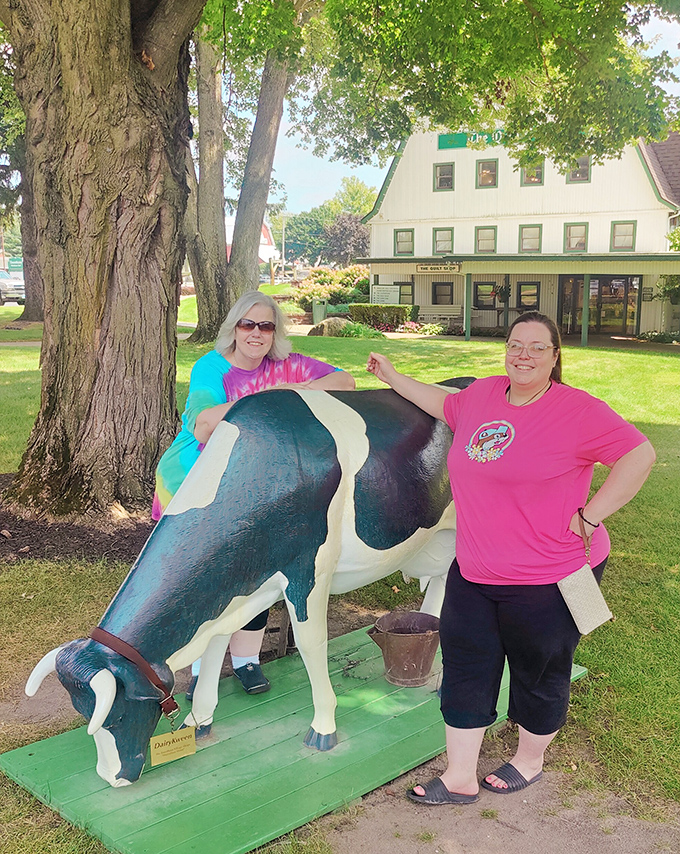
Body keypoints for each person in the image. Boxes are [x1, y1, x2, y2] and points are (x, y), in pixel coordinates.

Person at [366, 312, 655, 804]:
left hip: (549, 574)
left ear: (554, 355)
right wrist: (393, 376)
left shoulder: (577, 410)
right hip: (475, 569)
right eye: (515, 344)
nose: (523, 355)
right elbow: (443, 403)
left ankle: (529, 760)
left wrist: (591, 514)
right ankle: (460, 775)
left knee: (538, 670)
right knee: (465, 667)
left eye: (537, 347)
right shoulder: (482, 395)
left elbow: (639, 453)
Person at [154, 290, 355, 696]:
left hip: (251, 487)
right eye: (248, 324)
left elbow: (345, 381)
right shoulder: (212, 368)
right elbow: (206, 424)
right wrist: (271, 399)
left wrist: (298, 387)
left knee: (258, 574)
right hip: (193, 484)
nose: (257, 333)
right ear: (234, 329)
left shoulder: (286, 365)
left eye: (266, 325)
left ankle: (246, 661)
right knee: (199, 581)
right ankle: (198, 670)